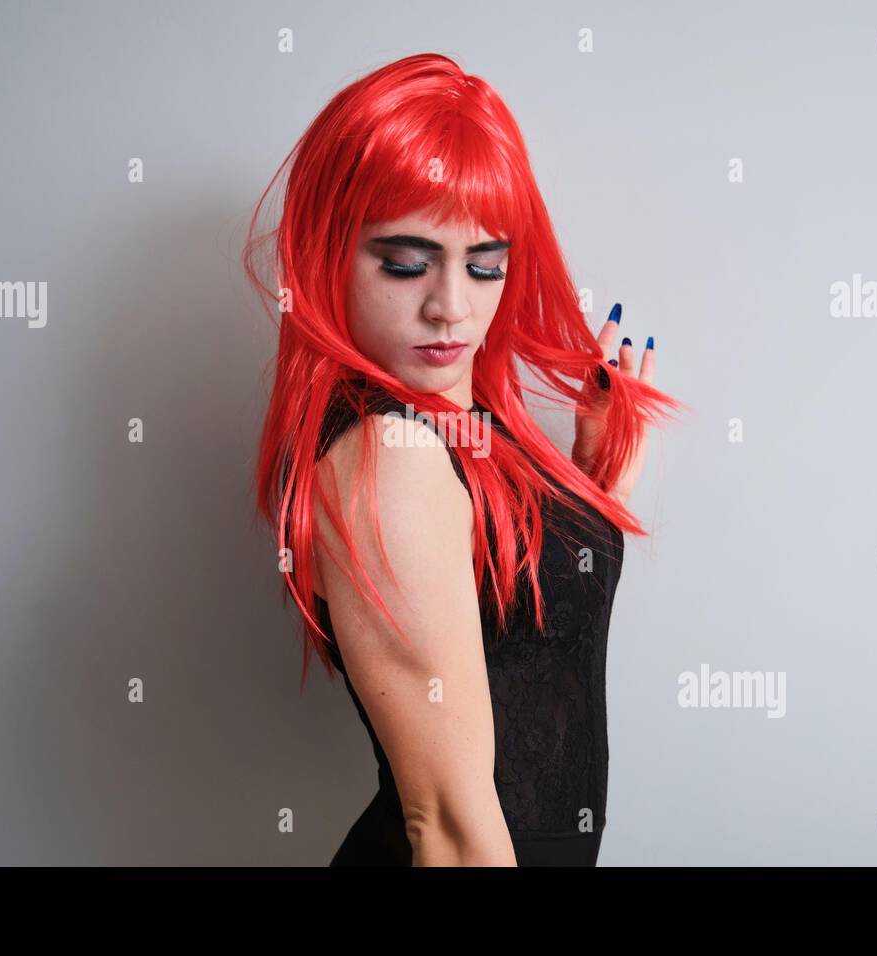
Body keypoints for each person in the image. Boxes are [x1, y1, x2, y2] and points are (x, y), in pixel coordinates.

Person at [243, 52, 683, 866]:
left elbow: (524, 664)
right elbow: (445, 825)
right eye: (405, 262)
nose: (452, 306)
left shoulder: (458, 428)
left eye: (485, 264)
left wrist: (587, 493)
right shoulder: (392, 453)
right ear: (328, 252)